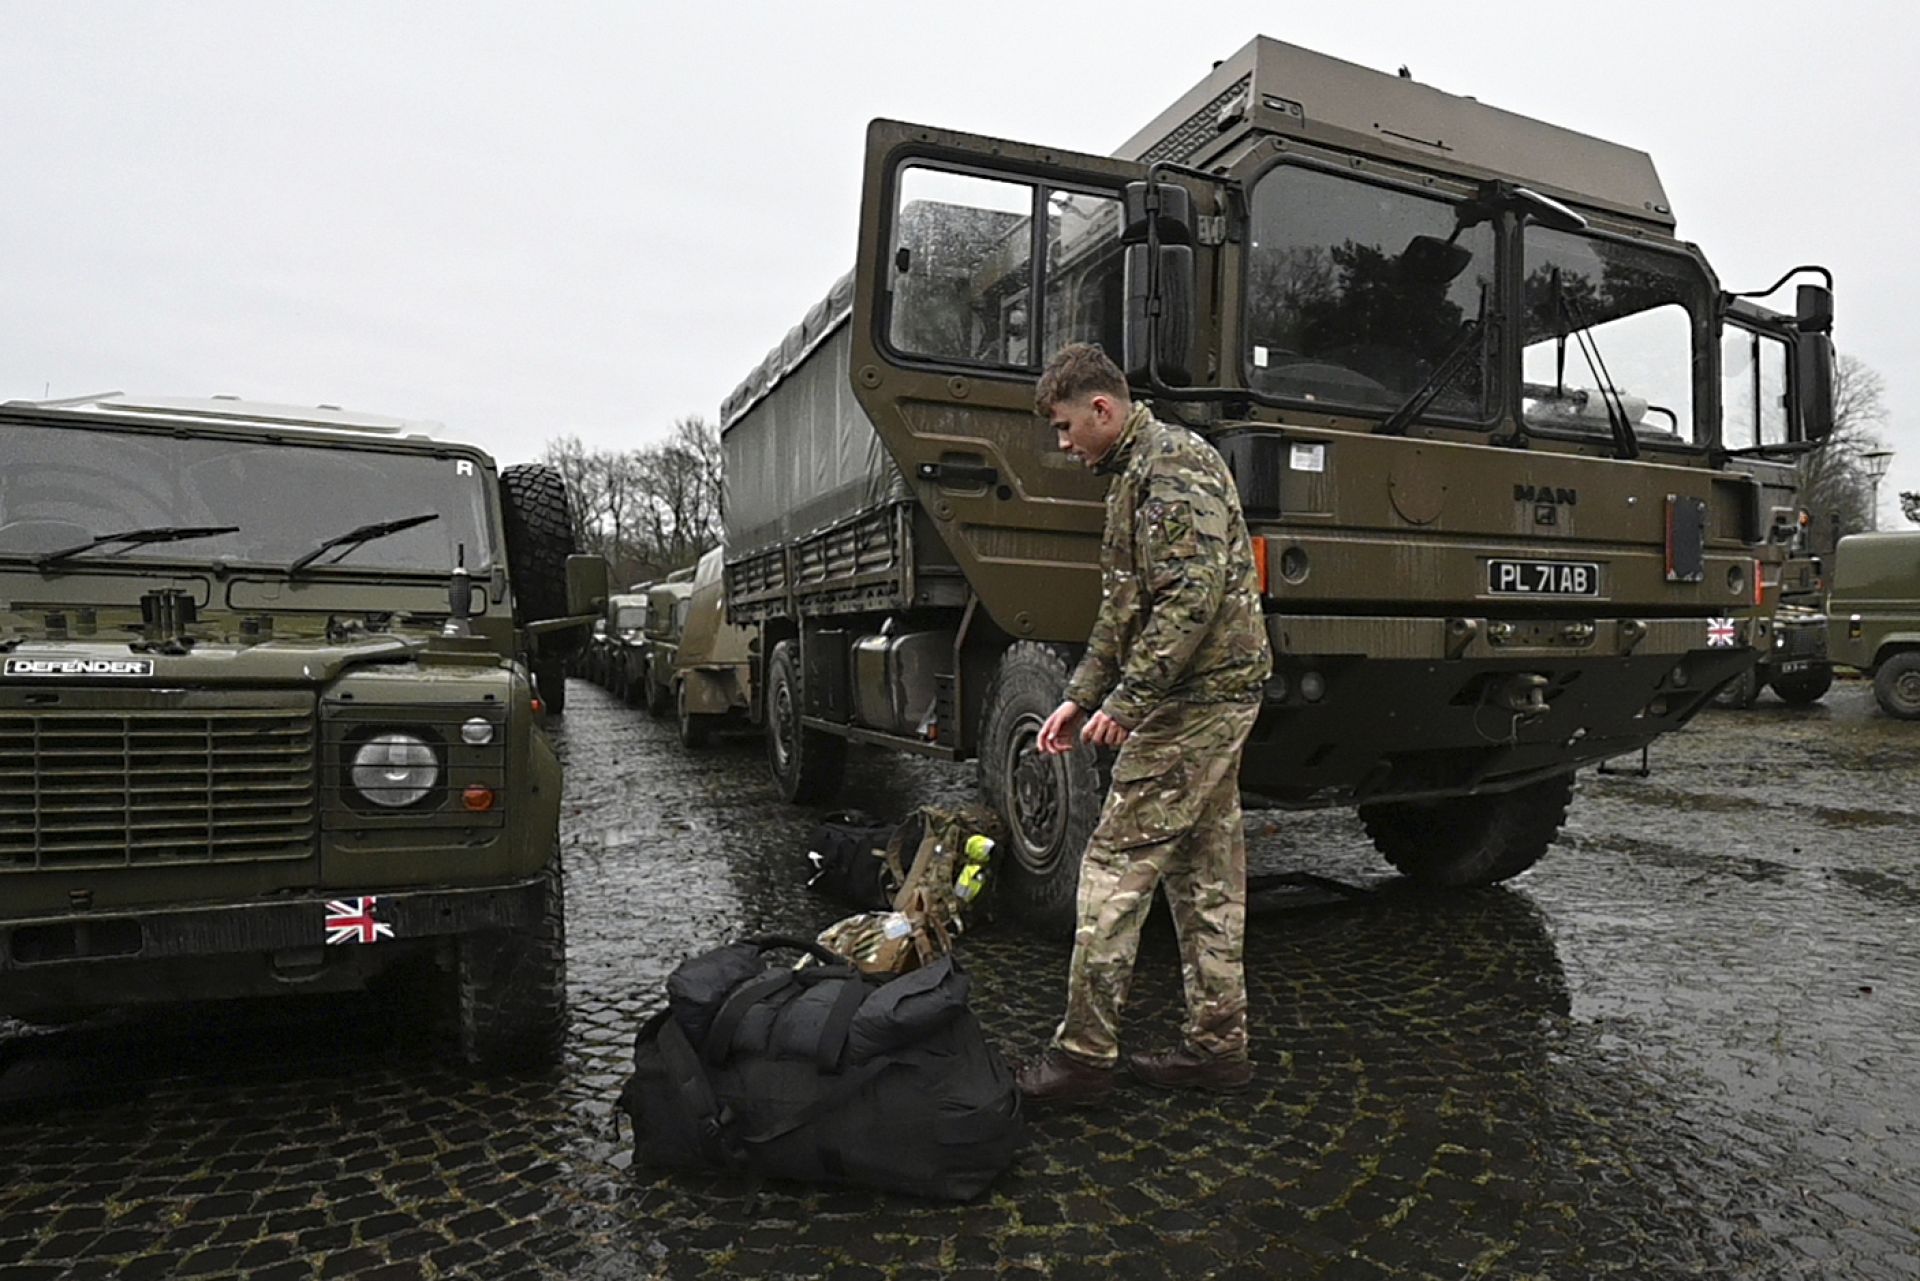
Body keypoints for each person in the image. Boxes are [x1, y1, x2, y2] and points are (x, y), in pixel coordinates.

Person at [1014, 343, 1272, 1105]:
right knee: (1205, 873)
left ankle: (1082, 1058)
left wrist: (1126, 704)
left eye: (1066, 427)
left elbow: (1191, 597)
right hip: (1207, 692)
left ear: (1103, 408)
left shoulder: (1170, 467)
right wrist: (1081, 694)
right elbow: (1124, 605)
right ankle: (1218, 1048)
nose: (1064, 444)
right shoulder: (1136, 470)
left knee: (1111, 868)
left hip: (1198, 699)